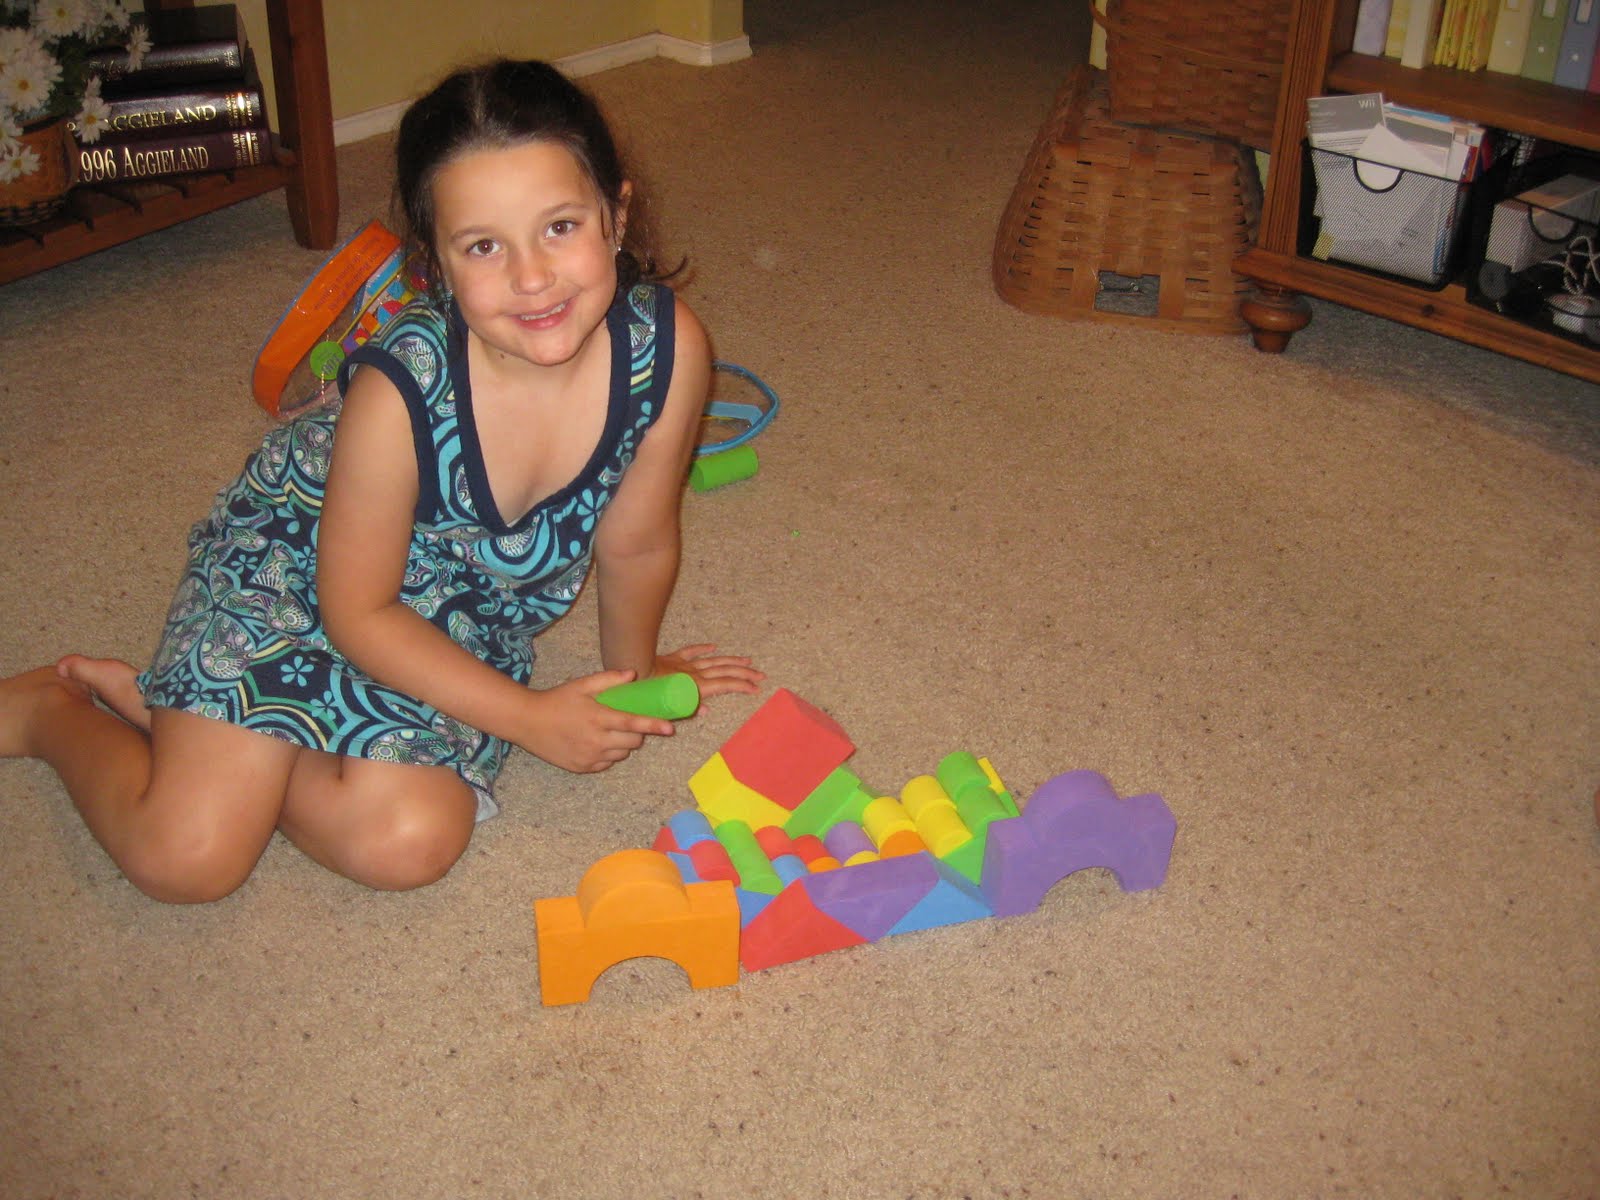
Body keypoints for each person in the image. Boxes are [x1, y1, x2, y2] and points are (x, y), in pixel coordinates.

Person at [0, 59, 763, 903]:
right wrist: (536, 719)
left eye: (560, 227)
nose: (532, 276)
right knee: (188, 861)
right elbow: (355, 610)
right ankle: (54, 711)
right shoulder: (397, 390)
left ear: (616, 216)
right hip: (299, 567)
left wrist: (630, 679)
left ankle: (200, 730)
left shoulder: (669, 348)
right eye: (483, 245)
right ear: (432, 265)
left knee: (414, 841)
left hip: (459, 606)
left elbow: (639, 538)